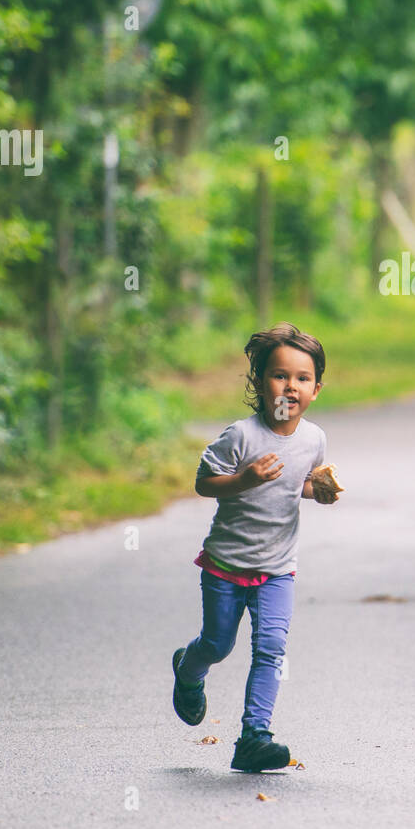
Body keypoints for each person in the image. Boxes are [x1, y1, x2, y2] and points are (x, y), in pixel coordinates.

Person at [172, 322, 340, 772]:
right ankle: (188, 670)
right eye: (279, 375)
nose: (291, 385)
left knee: (270, 649)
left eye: (302, 378)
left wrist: (316, 491)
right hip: (226, 565)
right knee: (218, 644)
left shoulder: (313, 440)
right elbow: (204, 482)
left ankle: (254, 738)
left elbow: (297, 484)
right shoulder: (241, 436)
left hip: (278, 568)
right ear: (260, 383)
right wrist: (244, 480)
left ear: (316, 389)